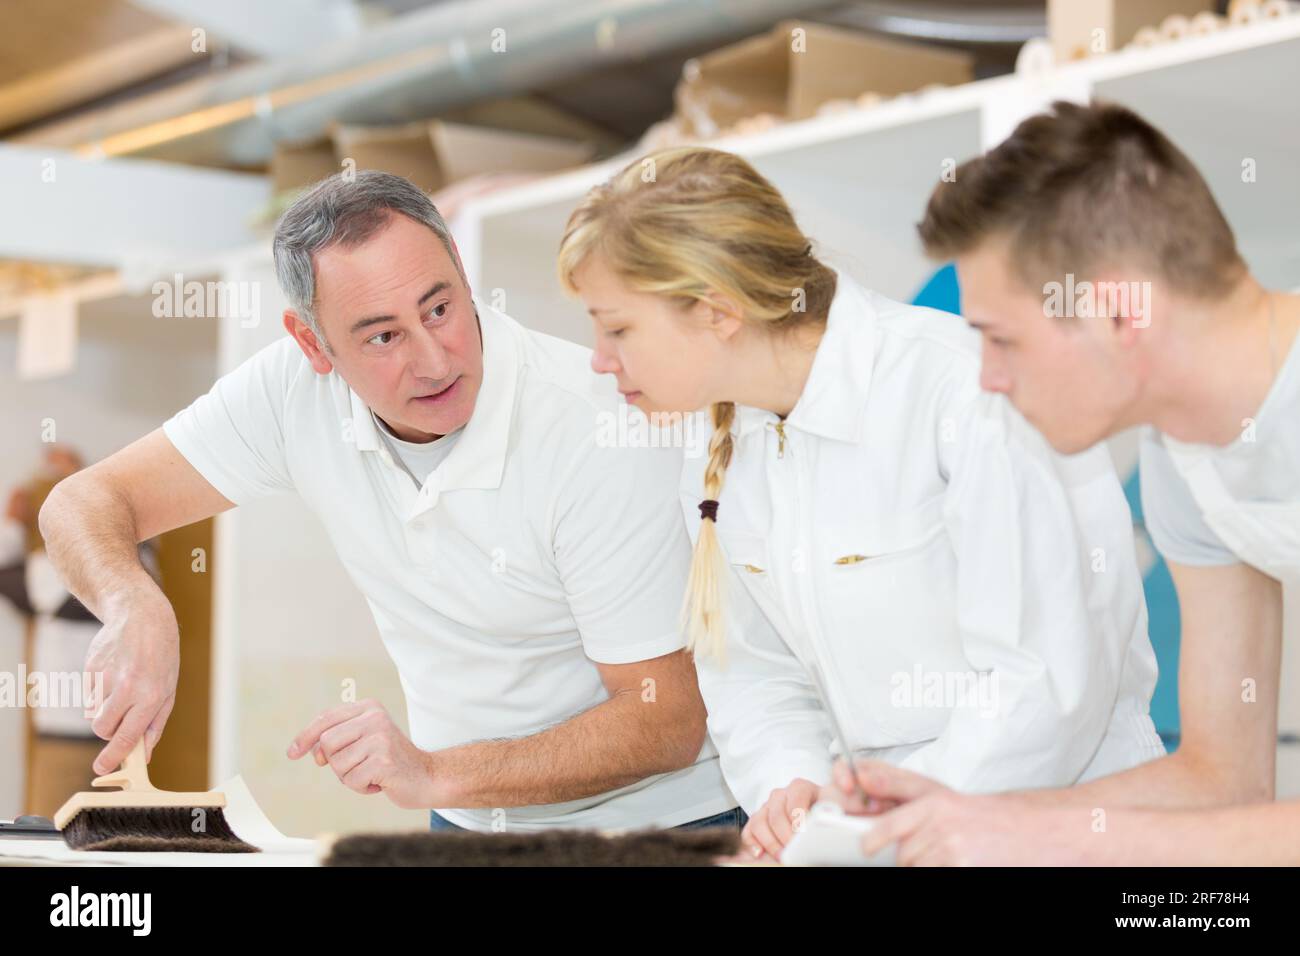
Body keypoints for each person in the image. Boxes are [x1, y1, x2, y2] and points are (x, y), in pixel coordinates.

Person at [38, 170, 740, 833]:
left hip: (661, 826)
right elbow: (83, 501)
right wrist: (133, 600)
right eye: (383, 336)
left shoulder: (591, 428)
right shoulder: (290, 395)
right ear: (313, 343)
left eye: (439, 308)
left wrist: (432, 771)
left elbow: (666, 721)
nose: (434, 360)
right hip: (467, 817)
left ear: (465, 277)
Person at [557, 145, 1165, 860]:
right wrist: (795, 791)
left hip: (1061, 829)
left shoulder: (967, 391)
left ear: (718, 310)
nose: (598, 358)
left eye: (618, 327)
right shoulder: (718, 444)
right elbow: (754, 675)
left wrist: (867, 824)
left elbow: (1048, 683)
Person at [828, 99, 1299, 865]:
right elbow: (1226, 779)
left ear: (1117, 312)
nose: (988, 378)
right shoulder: (1189, 460)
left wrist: (1032, 832)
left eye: (1001, 339)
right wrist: (961, 815)